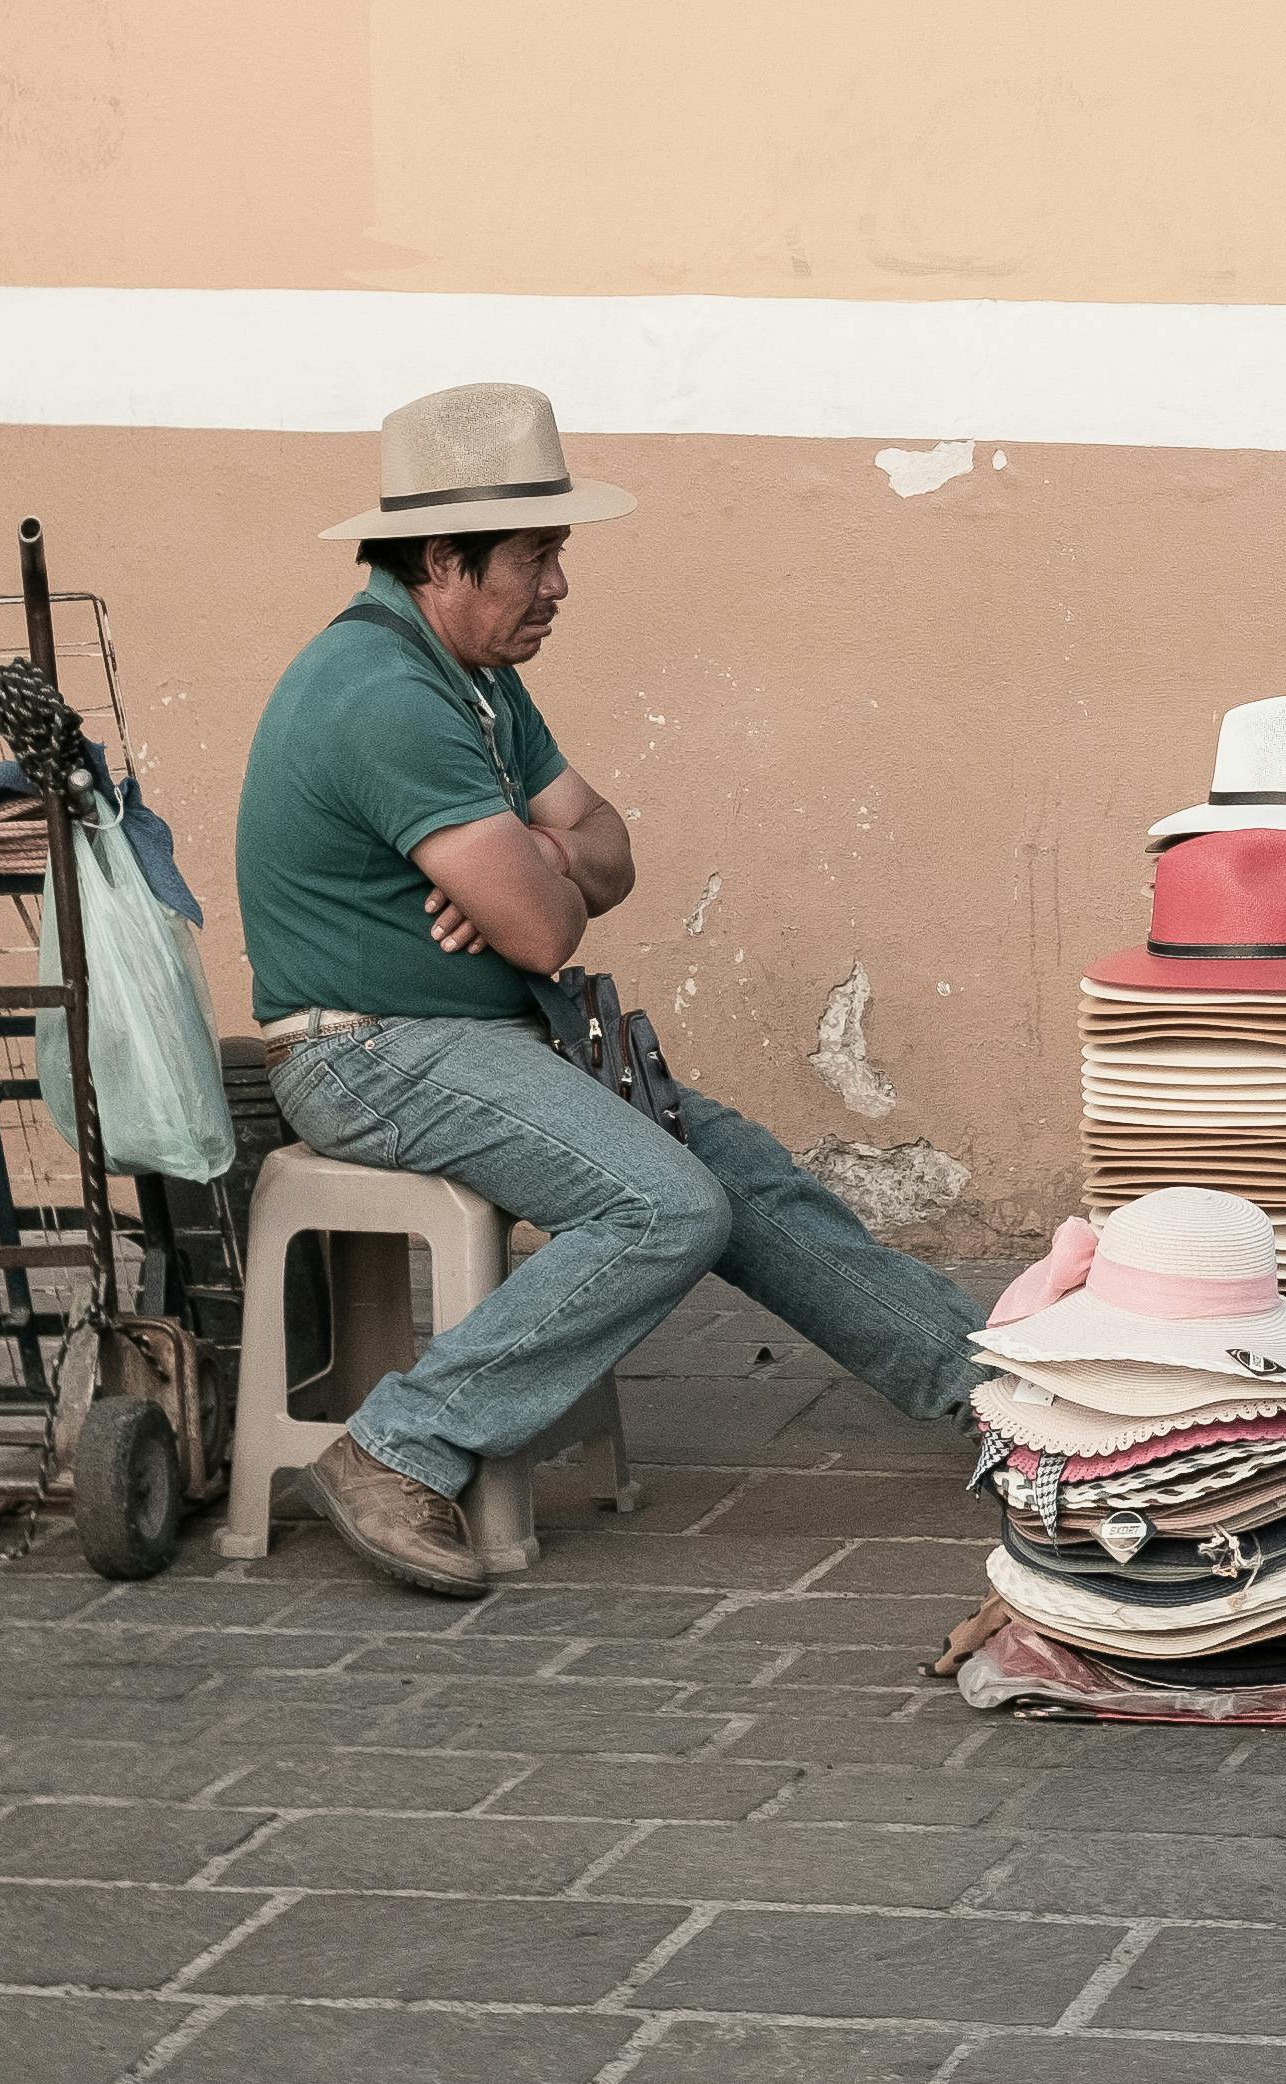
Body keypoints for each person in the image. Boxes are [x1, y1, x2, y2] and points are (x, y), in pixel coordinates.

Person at [234, 381, 989, 1593]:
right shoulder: (384, 694)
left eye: (556, 554)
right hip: (368, 1049)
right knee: (665, 1206)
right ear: (443, 556)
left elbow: (604, 849)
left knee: (742, 1173)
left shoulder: (469, 674)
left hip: (473, 1036)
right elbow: (543, 936)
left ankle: (998, 1396)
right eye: (535, 557)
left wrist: (532, 856)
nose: (557, 586)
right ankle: (394, 1447)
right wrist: (540, 876)